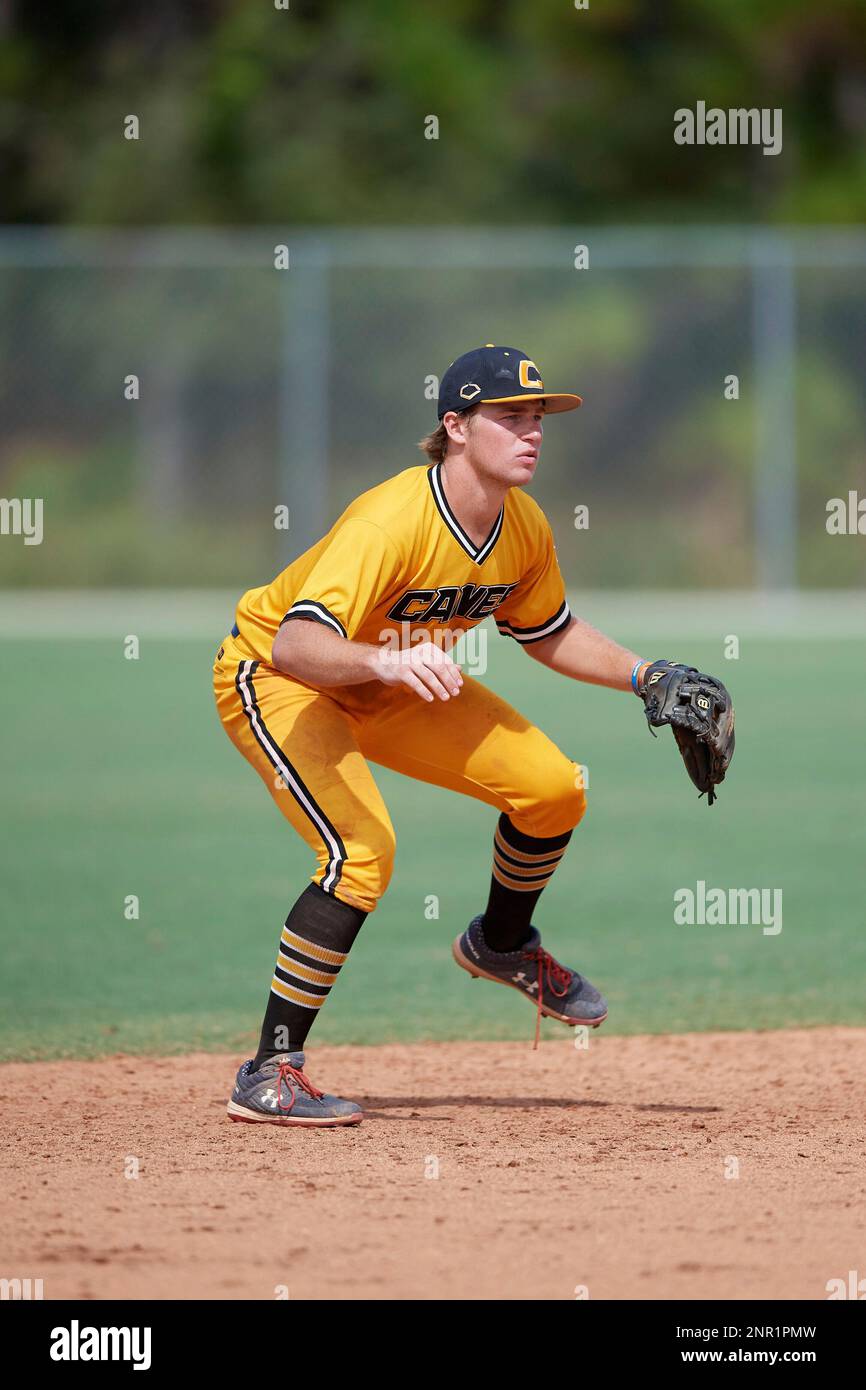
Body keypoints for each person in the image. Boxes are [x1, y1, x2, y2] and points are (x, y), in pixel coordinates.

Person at [213, 344, 654, 1127]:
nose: (533, 432)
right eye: (511, 416)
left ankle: (502, 945)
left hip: (395, 680)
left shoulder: (522, 525)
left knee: (553, 789)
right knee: (362, 855)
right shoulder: (391, 518)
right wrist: (384, 664)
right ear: (455, 425)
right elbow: (295, 644)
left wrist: (648, 676)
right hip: (279, 679)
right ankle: (270, 1070)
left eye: (539, 416)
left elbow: (547, 631)